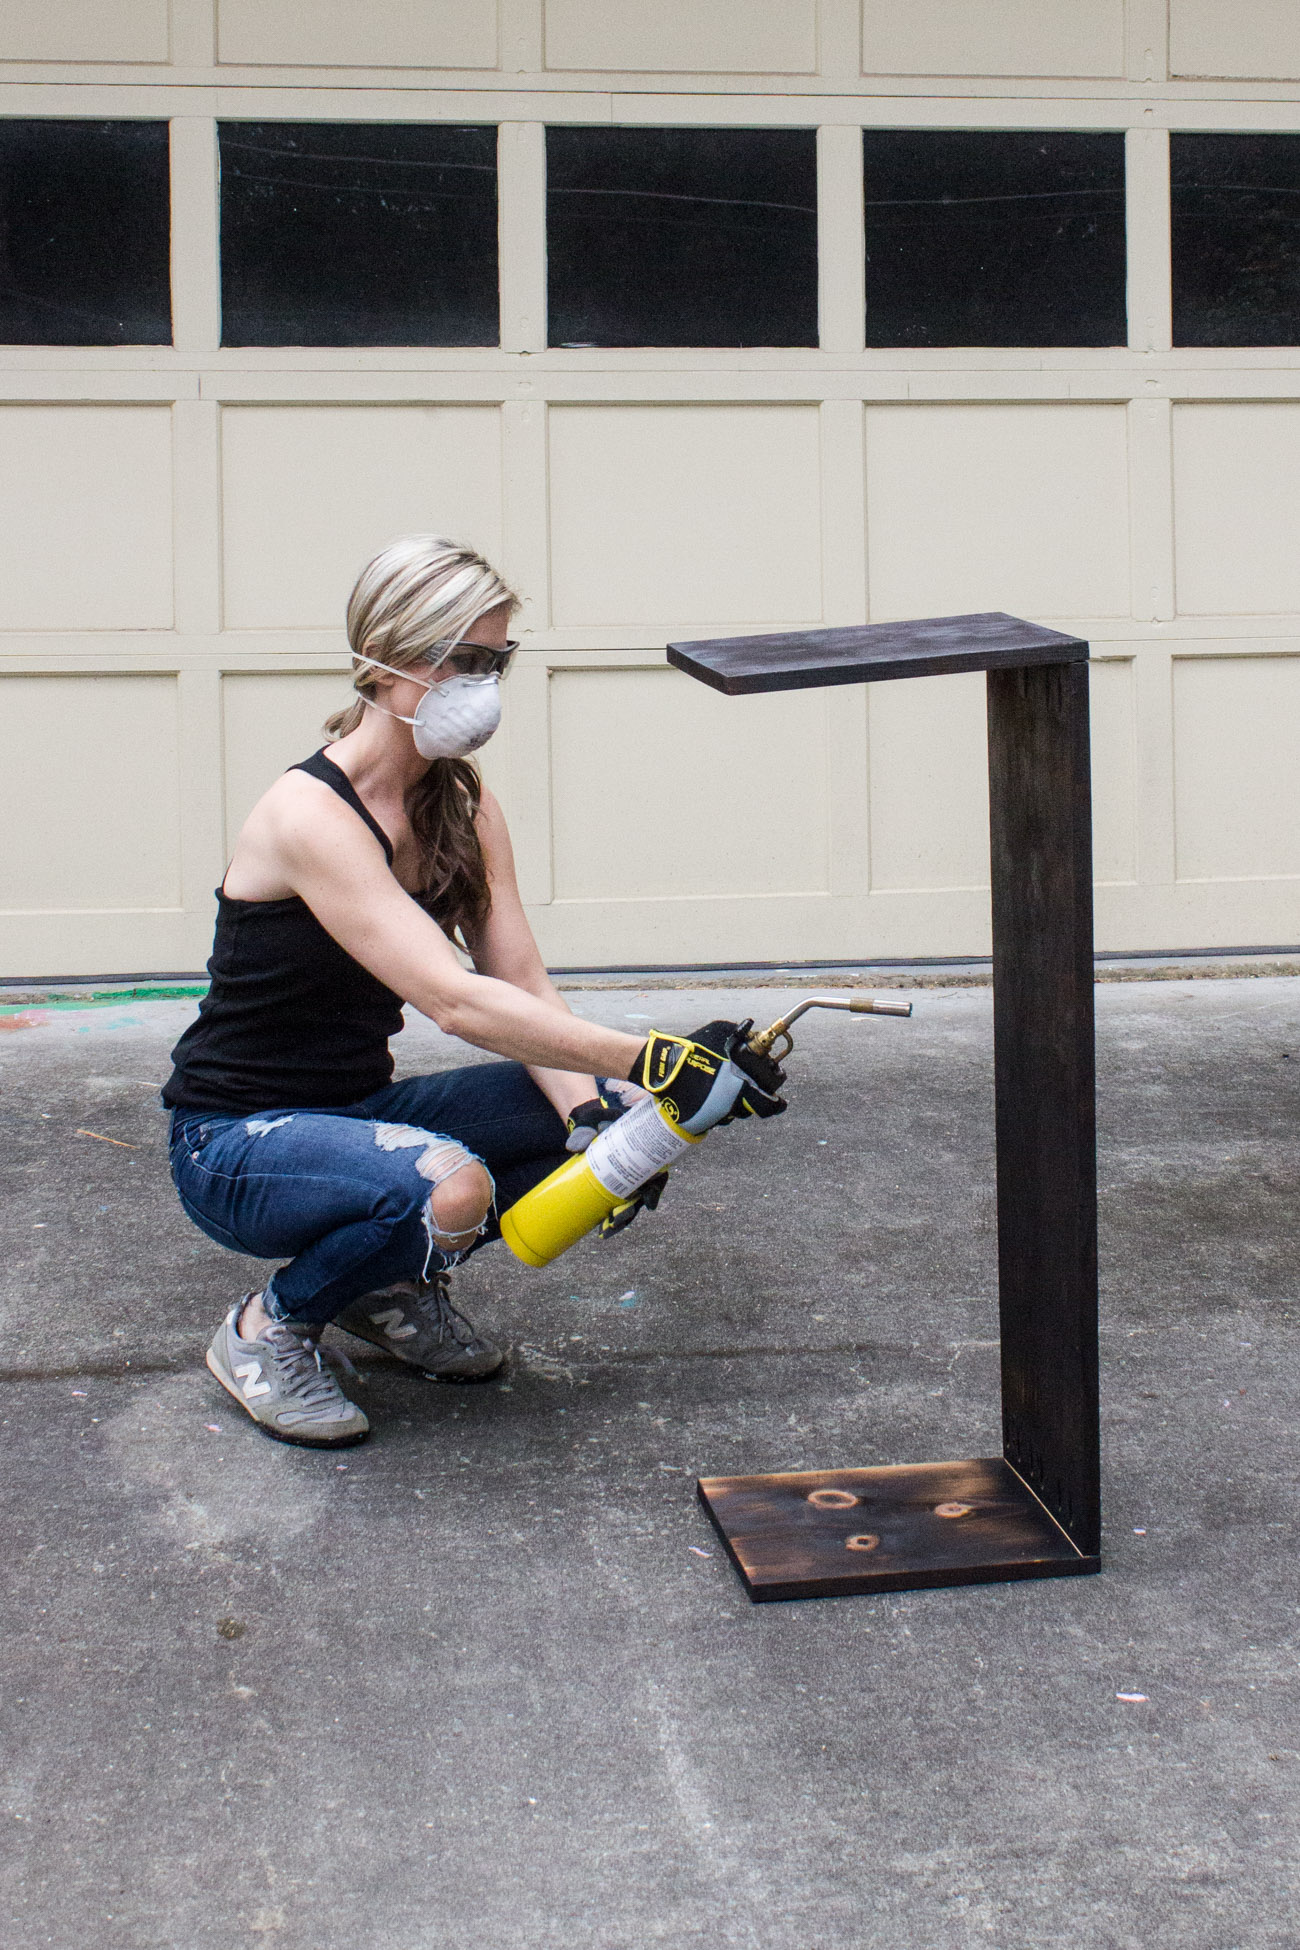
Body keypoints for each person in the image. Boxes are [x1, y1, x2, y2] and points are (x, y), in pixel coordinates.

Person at [163, 535, 787, 1448]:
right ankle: (267, 1330)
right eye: (462, 661)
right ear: (386, 657)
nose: (483, 685)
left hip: (356, 1109)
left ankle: (379, 1287)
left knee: (616, 1115)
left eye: (498, 661)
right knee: (449, 1187)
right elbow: (455, 1002)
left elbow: (518, 977)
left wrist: (612, 1115)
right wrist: (659, 1056)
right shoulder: (309, 815)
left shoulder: (460, 799)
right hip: (234, 1139)